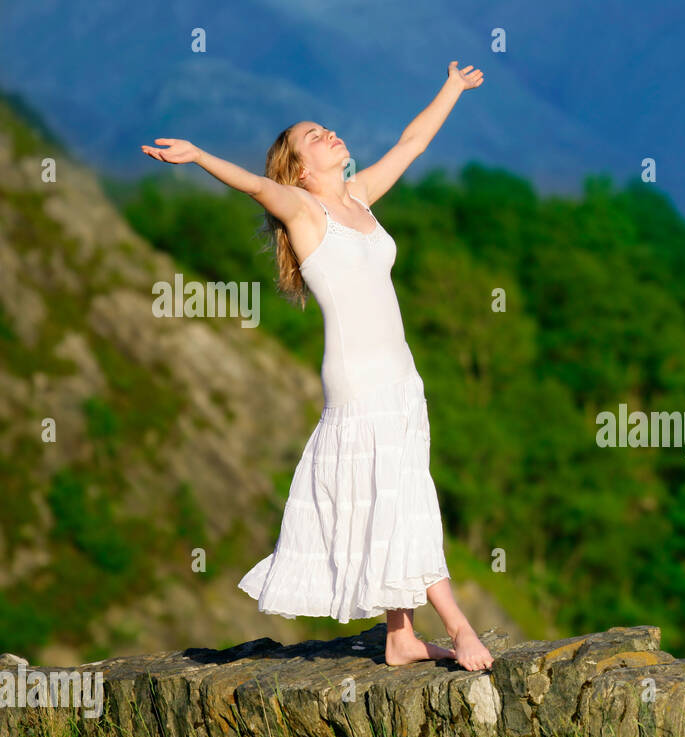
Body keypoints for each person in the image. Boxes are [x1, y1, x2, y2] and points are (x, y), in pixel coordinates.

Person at [141, 61, 494, 671]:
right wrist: (199, 156)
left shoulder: (358, 198)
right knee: (405, 495)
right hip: (360, 381)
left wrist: (452, 89)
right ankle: (459, 627)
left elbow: (411, 143)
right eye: (314, 136)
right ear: (301, 168)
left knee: (398, 494)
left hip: (403, 379)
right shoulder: (304, 211)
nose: (329, 133)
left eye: (327, 128)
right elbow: (257, 187)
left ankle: (401, 637)